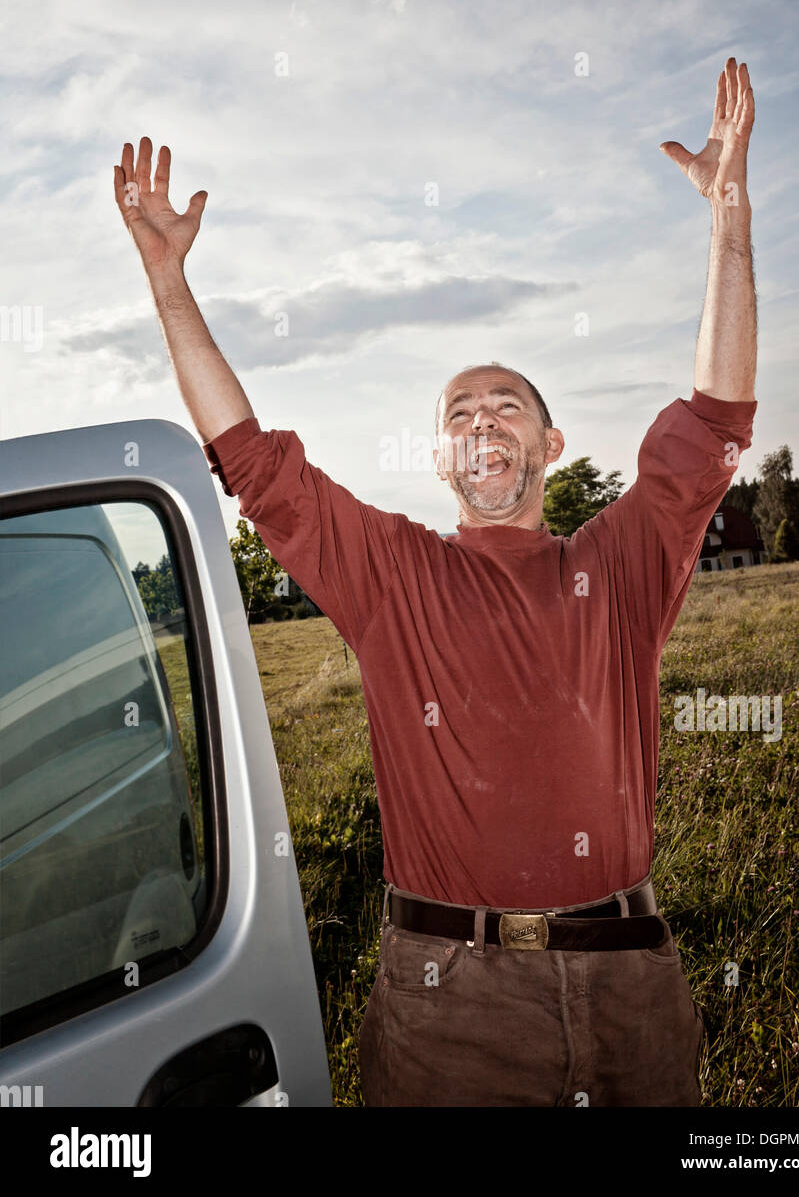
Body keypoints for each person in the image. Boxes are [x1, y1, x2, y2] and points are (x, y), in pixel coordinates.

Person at [113, 56, 756, 1106]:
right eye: (458, 412)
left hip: (631, 983)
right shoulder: (392, 575)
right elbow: (253, 460)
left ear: (548, 441)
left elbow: (716, 419)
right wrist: (168, 284)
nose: (478, 420)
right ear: (440, 461)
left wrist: (727, 208)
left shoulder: (618, 563)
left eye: (502, 404)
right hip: (450, 1002)